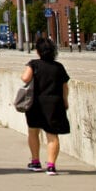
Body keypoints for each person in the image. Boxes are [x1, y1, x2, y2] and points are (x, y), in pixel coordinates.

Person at [23, 37, 71, 175]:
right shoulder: (58, 67)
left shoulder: (33, 64)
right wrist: (65, 101)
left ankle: (36, 162)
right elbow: (65, 87)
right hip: (54, 103)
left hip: (36, 103)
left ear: (38, 51)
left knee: (33, 131)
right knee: (52, 134)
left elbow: (25, 78)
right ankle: (51, 166)